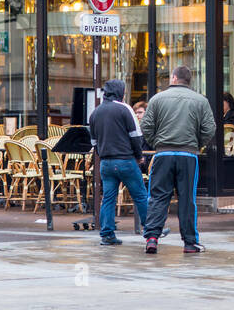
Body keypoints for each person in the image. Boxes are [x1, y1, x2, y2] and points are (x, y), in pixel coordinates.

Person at [140, 65, 216, 254]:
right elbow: (210, 128)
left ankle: (151, 238)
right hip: (188, 155)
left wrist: (156, 142)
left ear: (173, 78)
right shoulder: (201, 101)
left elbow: (146, 126)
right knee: (187, 199)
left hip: (163, 154)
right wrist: (196, 143)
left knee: (158, 197)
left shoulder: (157, 99)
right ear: (189, 81)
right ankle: (190, 242)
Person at [88, 79, 148, 246]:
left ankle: (107, 234)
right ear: (120, 92)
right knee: (140, 195)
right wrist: (139, 156)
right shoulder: (124, 108)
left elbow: (93, 142)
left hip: (106, 163)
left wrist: (103, 155)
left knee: (108, 198)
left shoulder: (95, 113)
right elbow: (136, 136)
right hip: (126, 160)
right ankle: (151, 229)